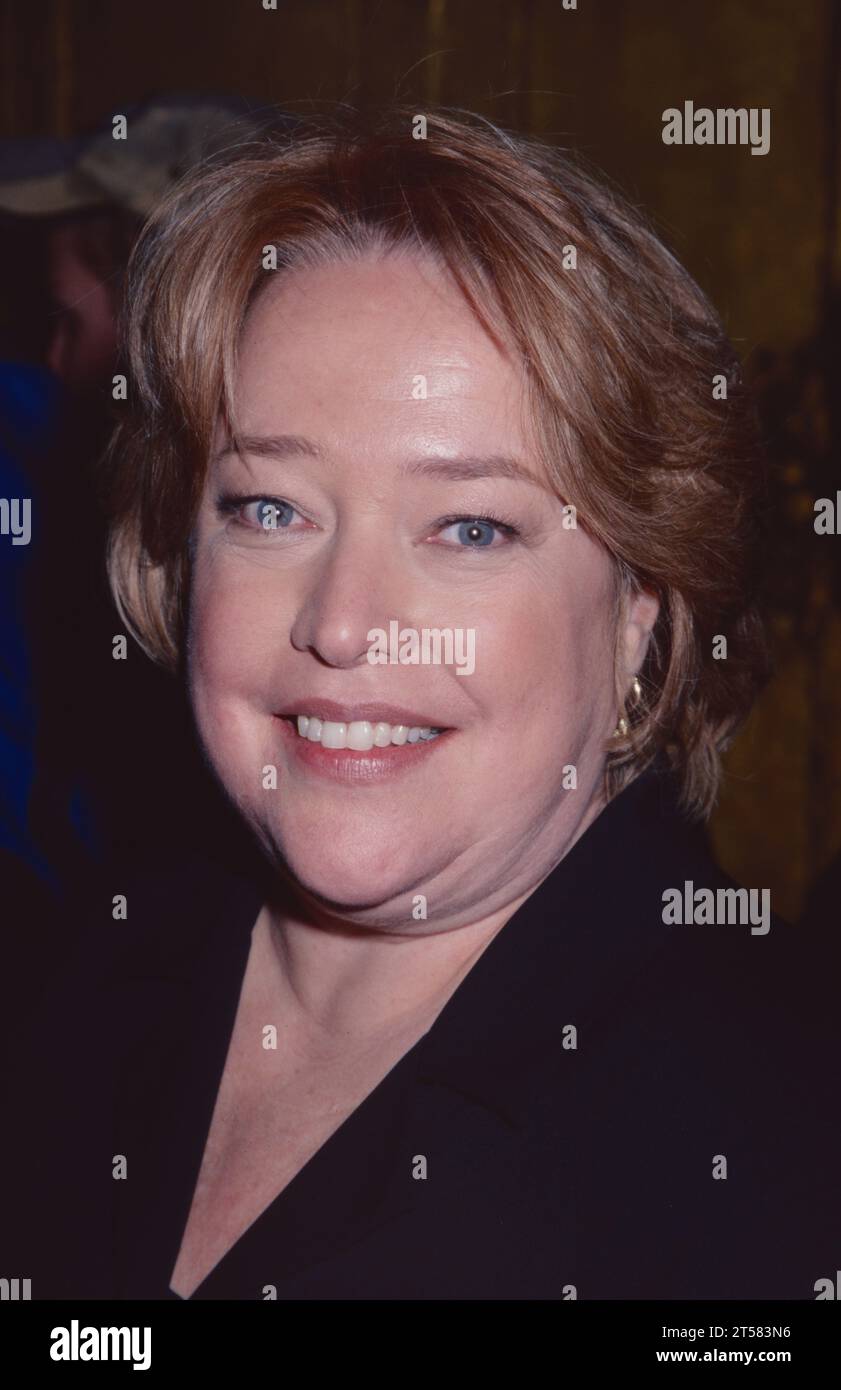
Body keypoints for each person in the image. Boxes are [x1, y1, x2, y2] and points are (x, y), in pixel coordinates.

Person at [2, 105, 838, 1302]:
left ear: (641, 603)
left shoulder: (764, 1176)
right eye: (269, 508)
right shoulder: (83, 975)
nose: (343, 623)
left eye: (469, 526)